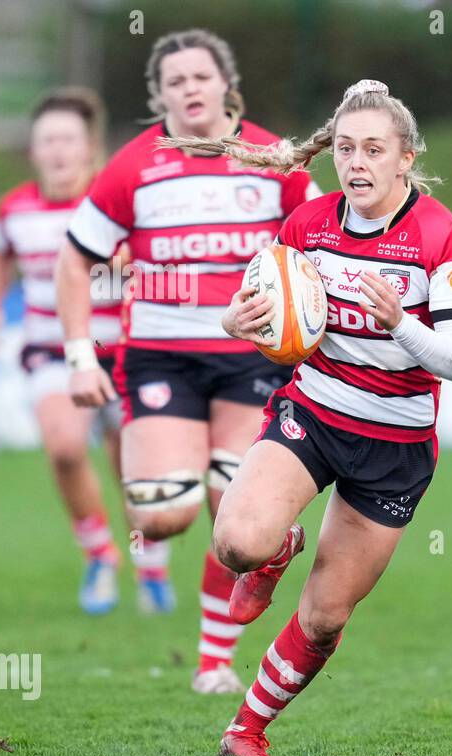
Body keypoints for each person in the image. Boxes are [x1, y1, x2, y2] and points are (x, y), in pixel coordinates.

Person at [163, 78, 452, 756]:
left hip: (395, 448)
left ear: (406, 157)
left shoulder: (439, 235)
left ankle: (245, 729)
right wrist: (233, 320)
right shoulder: (307, 224)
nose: (358, 162)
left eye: (373, 149)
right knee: (238, 544)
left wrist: (402, 325)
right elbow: (258, 303)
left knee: (326, 617)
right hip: (312, 414)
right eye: (345, 148)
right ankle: (277, 550)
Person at [57, 29, 319, 693]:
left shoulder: (272, 159)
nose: (189, 89)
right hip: (159, 361)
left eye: (200, 77)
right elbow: (75, 260)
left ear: (225, 84)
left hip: (249, 363)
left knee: (240, 527)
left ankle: (213, 664)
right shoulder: (134, 165)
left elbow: (318, 248)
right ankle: (208, 515)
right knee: (160, 518)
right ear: (159, 95)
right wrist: (81, 355)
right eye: (175, 82)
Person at [0, 88, 174, 615]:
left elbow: (156, 261)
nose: (59, 150)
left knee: (131, 466)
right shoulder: (14, 208)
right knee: (65, 448)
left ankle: (150, 563)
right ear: (35, 151)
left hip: (128, 351)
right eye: (49, 141)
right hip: (52, 348)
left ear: (91, 147)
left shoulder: (118, 204)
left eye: (69, 139)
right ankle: (99, 555)